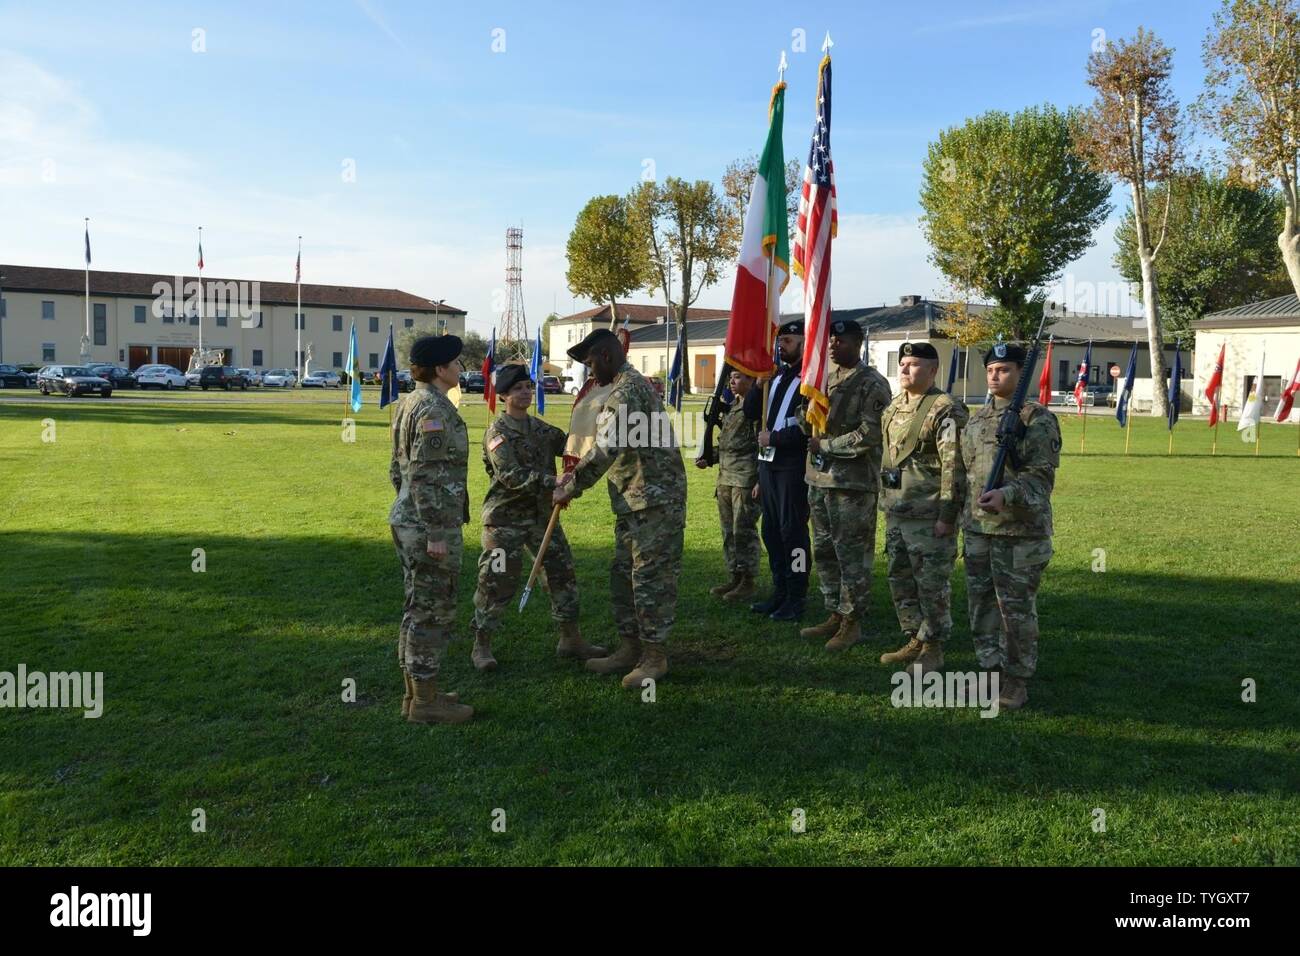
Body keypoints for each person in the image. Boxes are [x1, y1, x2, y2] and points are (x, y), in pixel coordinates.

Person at [553, 329, 687, 688]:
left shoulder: (627, 390)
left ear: (606, 355)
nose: (589, 371)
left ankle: (654, 657)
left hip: (655, 500)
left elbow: (606, 445)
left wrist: (571, 484)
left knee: (650, 580)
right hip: (634, 499)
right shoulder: (619, 387)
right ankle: (630, 648)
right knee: (623, 574)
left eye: (591, 362)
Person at [469, 364, 605, 671]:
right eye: (518, 388)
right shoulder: (497, 433)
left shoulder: (541, 429)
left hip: (542, 518)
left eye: (529, 387)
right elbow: (509, 475)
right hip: (505, 520)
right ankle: (482, 645)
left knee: (562, 575)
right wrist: (552, 482)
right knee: (496, 581)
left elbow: (572, 445)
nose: (525, 392)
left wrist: (593, 416)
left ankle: (570, 639)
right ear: (504, 395)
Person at [959, 342, 1061, 710]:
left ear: (1021, 374)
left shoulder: (1036, 418)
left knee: (1014, 610)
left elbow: (1040, 478)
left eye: (1003, 369)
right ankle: (988, 673)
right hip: (978, 530)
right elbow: (965, 474)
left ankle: (1016, 681)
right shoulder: (976, 419)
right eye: (990, 369)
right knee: (981, 605)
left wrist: (1008, 494)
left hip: (1020, 533)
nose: (994, 375)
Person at [388, 334, 473, 724]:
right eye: (455, 363)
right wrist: (435, 531)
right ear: (440, 370)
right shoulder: (432, 410)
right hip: (428, 527)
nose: (460, 368)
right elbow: (425, 474)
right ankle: (425, 704)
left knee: (416, 608)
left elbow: (396, 469)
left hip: (408, 520)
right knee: (432, 613)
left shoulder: (407, 403)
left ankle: (417, 693)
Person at [798, 317, 892, 650]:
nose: (835, 346)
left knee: (851, 553)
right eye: (831, 343)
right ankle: (834, 612)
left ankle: (852, 621)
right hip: (820, 480)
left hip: (852, 484)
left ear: (858, 343)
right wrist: (804, 411)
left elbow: (870, 433)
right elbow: (809, 419)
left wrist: (826, 446)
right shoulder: (824, 379)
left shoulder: (873, 384)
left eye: (842, 342)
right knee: (824, 551)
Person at [877, 342, 968, 672]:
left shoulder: (946, 409)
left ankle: (934, 645)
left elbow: (953, 467)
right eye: (902, 363)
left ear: (932, 370)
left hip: (929, 514)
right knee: (900, 578)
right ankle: (915, 635)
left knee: (931, 583)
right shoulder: (895, 405)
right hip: (897, 510)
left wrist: (948, 515)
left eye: (913, 364)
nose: (904, 369)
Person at [746, 319, 811, 621]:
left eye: (787, 341)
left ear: (802, 341)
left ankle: (797, 595)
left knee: (793, 534)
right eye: (779, 340)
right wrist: (758, 387)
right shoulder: (776, 376)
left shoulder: (809, 381)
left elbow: (810, 429)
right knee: (771, 532)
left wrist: (776, 438)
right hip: (767, 466)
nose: (780, 346)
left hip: (791, 467)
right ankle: (779, 590)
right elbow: (750, 413)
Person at [695, 368, 760, 603]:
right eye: (731, 377)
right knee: (728, 531)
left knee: (743, 530)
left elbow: (761, 447)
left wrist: (760, 479)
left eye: (739, 377)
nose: (733, 381)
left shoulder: (755, 409)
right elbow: (728, 445)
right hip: (725, 477)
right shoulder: (733, 406)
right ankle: (734, 575)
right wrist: (709, 457)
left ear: (752, 380)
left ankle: (748, 579)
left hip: (745, 477)